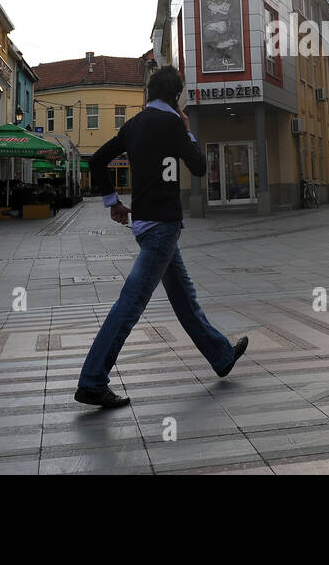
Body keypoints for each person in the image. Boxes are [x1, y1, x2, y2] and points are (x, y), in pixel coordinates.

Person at [75, 65, 249, 408]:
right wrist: (188, 131)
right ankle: (92, 380)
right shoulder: (173, 124)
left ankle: (221, 355)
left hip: (144, 225)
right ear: (176, 97)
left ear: (149, 94)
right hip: (163, 227)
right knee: (131, 302)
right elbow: (199, 167)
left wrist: (112, 202)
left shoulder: (134, 124)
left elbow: (97, 161)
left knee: (184, 297)